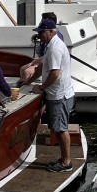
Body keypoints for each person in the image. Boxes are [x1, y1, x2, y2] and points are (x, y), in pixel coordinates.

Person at [24, 15, 75, 173]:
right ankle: (64, 159)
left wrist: (42, 88)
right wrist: (28, 81)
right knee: (57, 128)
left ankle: (66, 162)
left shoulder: (54, 48)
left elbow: (54, 73)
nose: (39, 36)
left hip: (59, 95)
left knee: (60, 129)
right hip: (56, 94)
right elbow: (41, 68)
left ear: (50, 32)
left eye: (41, 33)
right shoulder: (51, 45)